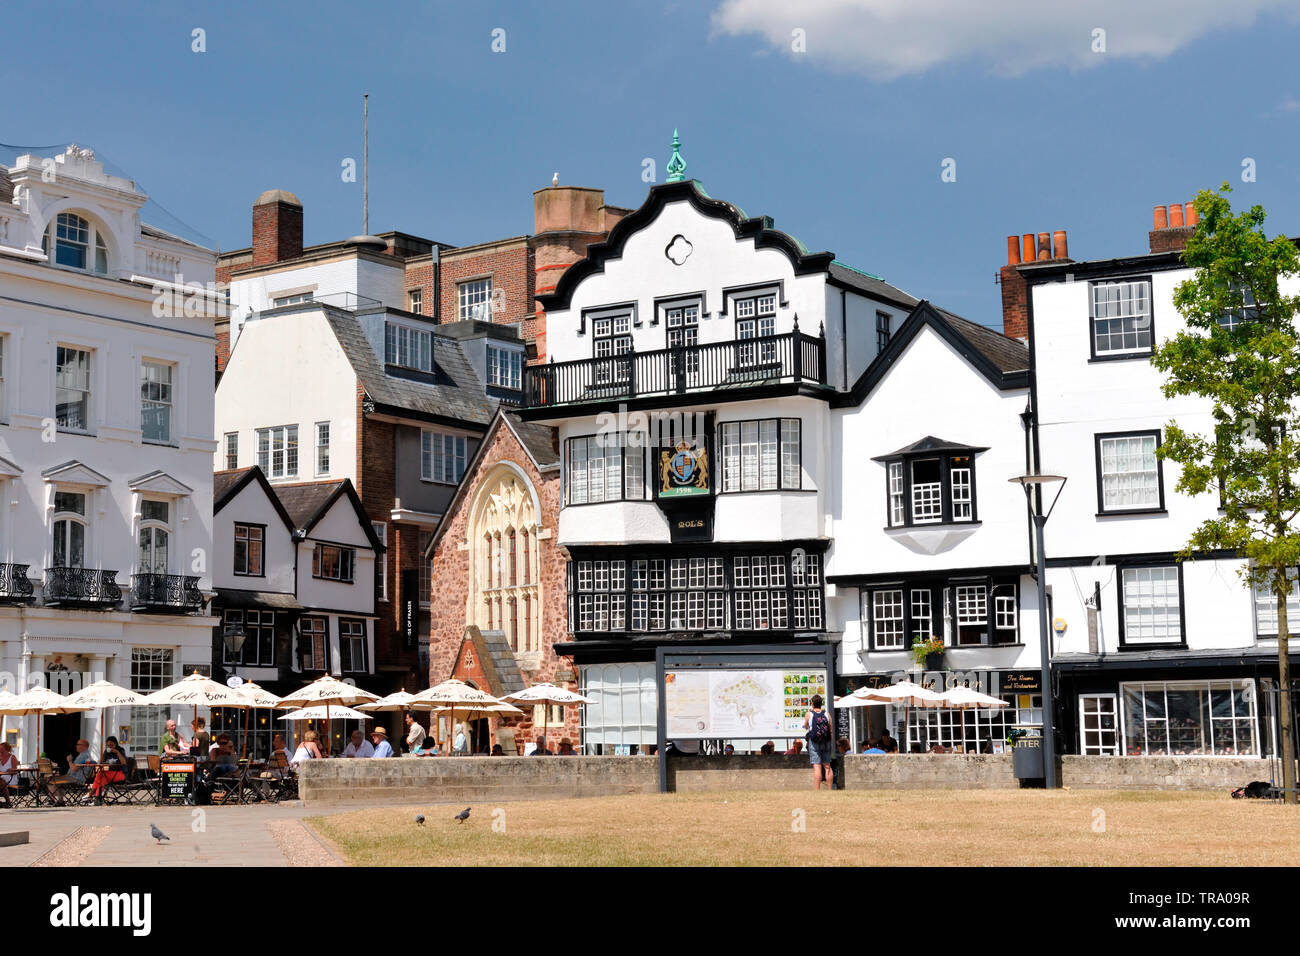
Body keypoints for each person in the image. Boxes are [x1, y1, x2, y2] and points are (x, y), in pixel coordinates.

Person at [803, 694, 834, 790]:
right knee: (827, 766)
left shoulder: (809, 714)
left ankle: (817, 791)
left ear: (812, 703)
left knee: (817, 766)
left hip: (815, 742)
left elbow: (806, 726)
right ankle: (829, 790)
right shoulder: (827, 714)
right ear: (821, 704)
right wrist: (830, 742)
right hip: (826, 741)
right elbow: (830, 730)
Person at [90, 736, 129, 801]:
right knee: (102, 777)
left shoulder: (121, 750)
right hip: (110, 774)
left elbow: (124, 762)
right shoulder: (106, 752)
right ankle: (97, 799)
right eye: (108, 745)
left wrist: (117, 752)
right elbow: (102, 763)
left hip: (121, 774)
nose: (109, 747)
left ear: (115, 744)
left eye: (111, 745)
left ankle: (92, 792)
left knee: (101, 774)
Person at [0, 742, 17, 807]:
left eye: (1, 747)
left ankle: (8, 802)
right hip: (2, 777)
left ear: (5, 749)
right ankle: (6, 803)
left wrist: (10, 770)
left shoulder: (12, 757)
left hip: (11, 777)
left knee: (1, 781)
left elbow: (15, 771)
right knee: (1, 781)